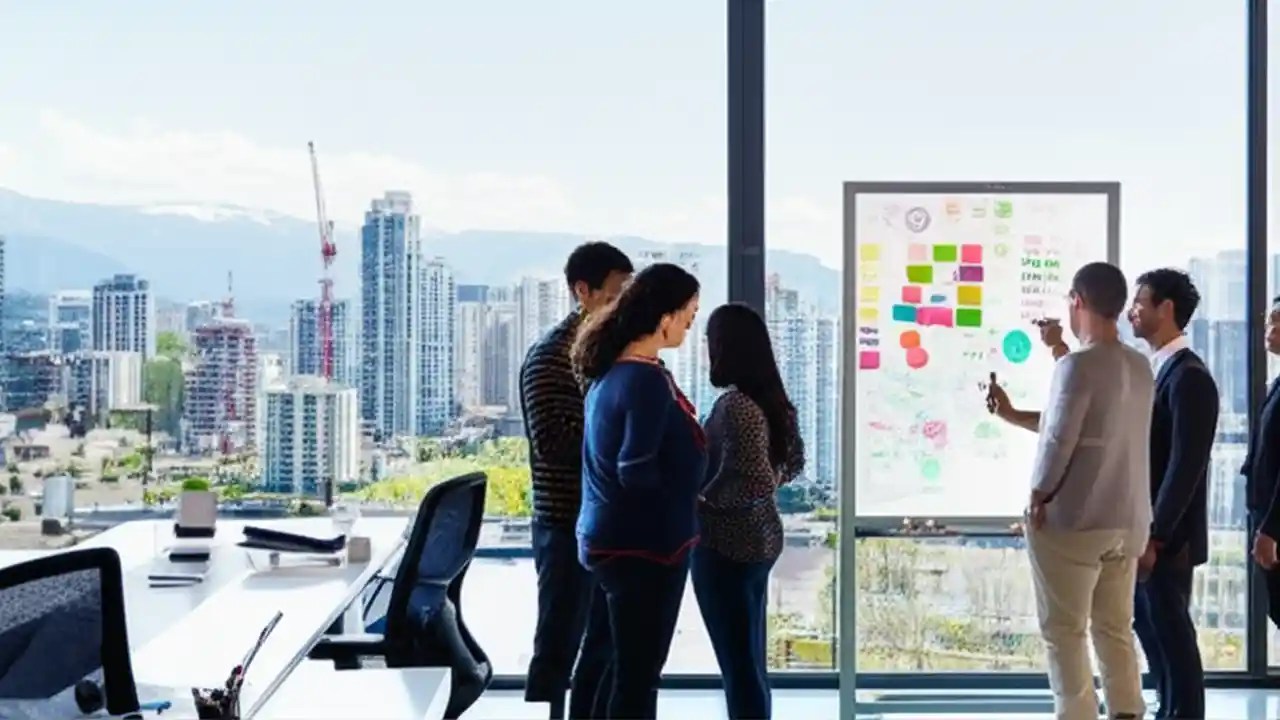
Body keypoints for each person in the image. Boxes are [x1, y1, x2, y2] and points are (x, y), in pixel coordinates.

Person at [984, 262, 1153, 720]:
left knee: (1064, 631)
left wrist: (1037, 495)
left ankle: (1077, 714)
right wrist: (1058, 349)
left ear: (1077, 301)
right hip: (1128, 521)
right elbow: (1094, 420)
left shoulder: (1077, 367)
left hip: (1076, 521)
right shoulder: (1139, 366)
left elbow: (1060, 439)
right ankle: (1127, 711)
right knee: (1115, 628)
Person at [570, 262, 704, 719]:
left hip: (610, 540)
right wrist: (686, 495)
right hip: (646, 549)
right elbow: (635, 469)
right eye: (689, 314)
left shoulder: (611, 374)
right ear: (665, 317)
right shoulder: (645, 381)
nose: (690, 325)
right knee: (639, 677)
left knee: (611, 666)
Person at [520, 241, 633, 720]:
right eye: (615, 293)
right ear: (582, 291)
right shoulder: (551, 357)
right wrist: (622, 432)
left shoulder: (608, 353)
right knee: (557, 644)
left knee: (604, 644)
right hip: (564, 522)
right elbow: (554, 443)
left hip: (603, 521)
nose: (622, 304)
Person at [692, 303, 805, 720]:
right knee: (751, 664)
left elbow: (756, 481)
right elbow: (790, 465)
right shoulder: (769, 400)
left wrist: (705, 501)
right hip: (761, 540)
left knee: (738, 666)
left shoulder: (735, 406)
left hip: (727, 545)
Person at [1124, 269, 1217, 719]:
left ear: (1166, 309)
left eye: (1139, 303)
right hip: (1151, 534)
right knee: (1154, 629)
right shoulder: (1160, 370)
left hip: (1167, 540)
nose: (1131, 312)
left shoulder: (1189, 377)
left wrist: (1156, 535)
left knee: (1173, 635)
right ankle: (1170, 711)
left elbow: (1185, 466)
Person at [1245, 297, 1280, 625]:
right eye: (1270, 320)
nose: (1271, 328)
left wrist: (1271, 530)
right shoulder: (1277, 384)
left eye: (1278, 320)